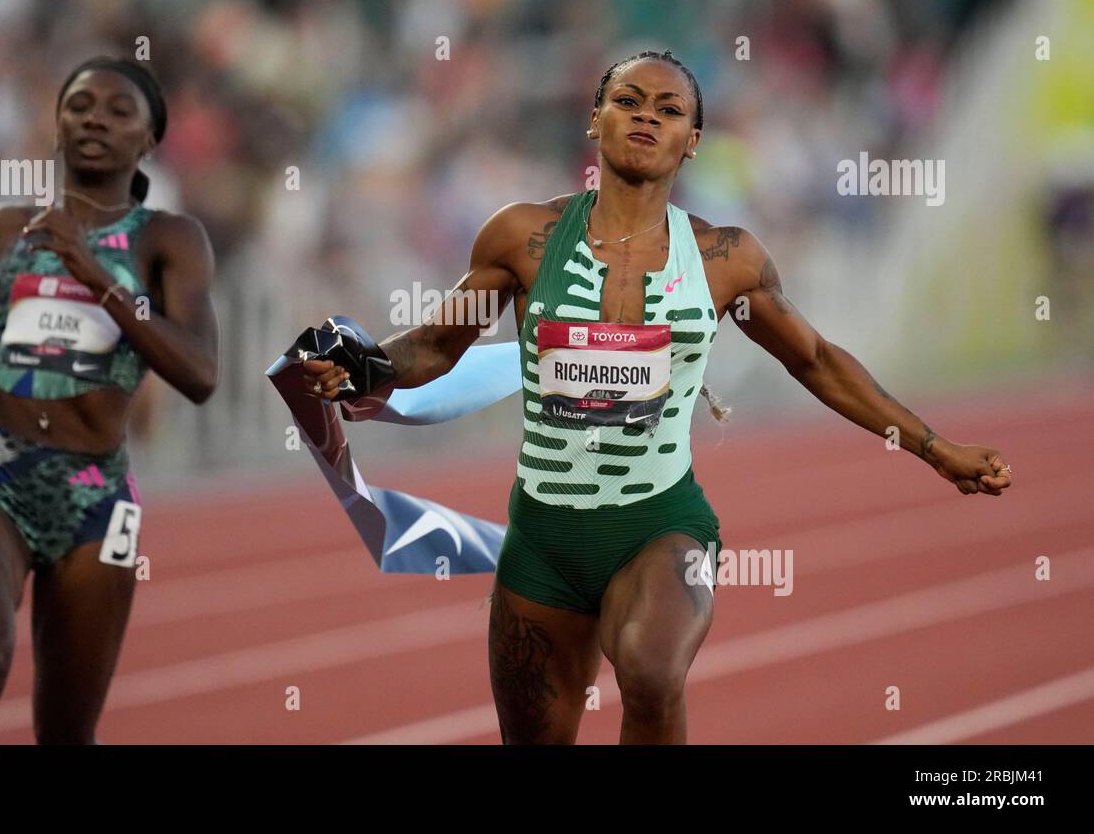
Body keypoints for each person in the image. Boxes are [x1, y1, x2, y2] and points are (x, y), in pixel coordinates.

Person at [301, 49, 1012, 744]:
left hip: (660, 527)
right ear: (596, 120)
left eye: (668, 110)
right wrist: (359, 366)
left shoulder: (725, 259)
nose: (646, 117)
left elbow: (817, 360)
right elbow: (431, 346)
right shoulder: (522, 237)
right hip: (542, 538)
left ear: (692, 141)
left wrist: (933, 447)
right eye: (628, 102)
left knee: (649, 671)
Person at [0, 56, 220, 744]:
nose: (95, 118)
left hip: (97, 497)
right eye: (80, 104)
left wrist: (94, 272)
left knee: (65, 730)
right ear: (58, 124)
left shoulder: (169, 240)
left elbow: (200, 374)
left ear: (149, 140)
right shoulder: (5, 231)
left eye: (120, 111)